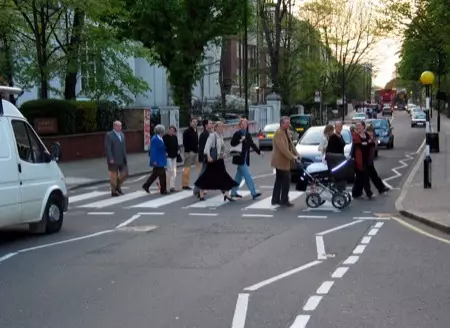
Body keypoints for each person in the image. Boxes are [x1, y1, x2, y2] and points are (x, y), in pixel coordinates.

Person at [195, 122, 238, 201]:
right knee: (207, 177)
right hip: (213, 161)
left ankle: (226, 194)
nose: (221, 128)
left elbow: (221, 148)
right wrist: (208, 156)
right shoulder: (212, 136)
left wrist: (223, 153)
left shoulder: (221, 136)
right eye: (219, 127)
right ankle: (201, 193)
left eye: (222, 127)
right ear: (215, 128)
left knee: (224, 177)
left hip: (219, 160)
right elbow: (206, 147)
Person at [271, 116, 300, 206]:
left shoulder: (285, 131)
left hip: (284, 160)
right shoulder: (278, 133)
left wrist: (297, 154)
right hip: (280, 161)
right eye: (287, 123)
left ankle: (275, 200)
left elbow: (291, 145)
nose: (288, 125)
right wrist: (292, 157)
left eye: (289, 123)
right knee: (286, 181)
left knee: (279, 180)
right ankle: (284, 200)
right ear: (282, 124)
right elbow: (283, 148)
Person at [230, 119, 262, 200]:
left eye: (245, 124)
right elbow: (232, 143)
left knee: (238, 177)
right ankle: (253, 193)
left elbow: (252, 144)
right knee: (248, 176)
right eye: (242, 124)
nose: (244, 125)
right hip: (239, 158)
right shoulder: (237, 134)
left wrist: (259, 152)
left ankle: (233, 192)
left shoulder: (247, 134)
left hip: (245, 158)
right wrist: (240, 140)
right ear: (239, 125)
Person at [142, 124, 168, 194]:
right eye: (163, 130)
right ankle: (163, 190)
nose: (164, 132)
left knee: (155, 174)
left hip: (160, 159)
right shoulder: (155, 139)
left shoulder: (159, 138)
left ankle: (146, 185)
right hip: (158, 160)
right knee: (162, 175)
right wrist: (154, 161)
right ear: (161, 131)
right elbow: (153, 151)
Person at [105, 120, 128, 197]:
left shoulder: (122, 134)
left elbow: (123, 147)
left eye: (120, 126)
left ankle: (117, 186)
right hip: (113, 159)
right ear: (114, 126)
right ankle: (114, 191)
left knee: (125, 173)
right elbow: (108, 148)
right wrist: (110, 158)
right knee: (113, 176)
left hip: (122, 158)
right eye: (118, 126)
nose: (120, 127)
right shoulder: (109, 135)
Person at [365, 124, 390, 194]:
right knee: (365, 177)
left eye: (372, 132)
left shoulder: (371, 139)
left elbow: (374, 148)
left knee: (372, 175)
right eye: (370, 132)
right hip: (366, 161)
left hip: (369, 161)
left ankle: (380, 188)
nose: (372, 134)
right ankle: (369, 191)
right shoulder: (366, 139)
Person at [351, 121, 373, 199]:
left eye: (359, 126)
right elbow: (357, 144)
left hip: (367, 158)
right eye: (357, 126)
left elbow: (370, 142)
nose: (358, 127)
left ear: (363, 127)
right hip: (359, 159)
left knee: (359, 177)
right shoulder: (355, 135)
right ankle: (368, 192)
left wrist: (368, 142)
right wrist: (366, 143)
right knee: (364, 175)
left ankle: (356, 193)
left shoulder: (366, 134)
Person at [193, 119, 213, 197]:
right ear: (206, 125)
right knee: (203, 173)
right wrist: (204, 157)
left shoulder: (208, 134)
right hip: (206, 157)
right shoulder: (205, 134)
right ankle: (198, 189)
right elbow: (202, 148)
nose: (212, 124)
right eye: (210, 123)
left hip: (207, 157)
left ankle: (199, 189)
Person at [182, 118, 198, 190]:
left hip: (196, 151)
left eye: (196, 122)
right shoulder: (187, 131)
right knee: (187, 168)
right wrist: (187, 152)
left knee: (199, 167)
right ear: (190, 123)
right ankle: (185, 185)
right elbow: (185, 142)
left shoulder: (196, 130)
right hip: (189, 152)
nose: (195, 123)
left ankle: (200, 184)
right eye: (193, 122)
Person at [163, 125, 179, 192]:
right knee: (169, 171)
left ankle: (172, 186)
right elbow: (163, 146)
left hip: (174, 156)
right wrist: (165, 152)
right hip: (168, 156)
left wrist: (178, 150)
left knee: (174, 171)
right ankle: (165, 185)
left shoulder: (175, 137)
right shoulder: (165, 137)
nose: (171, 131)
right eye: (170, 130)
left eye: (173, 131)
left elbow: (177, 145)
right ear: (168, 130)